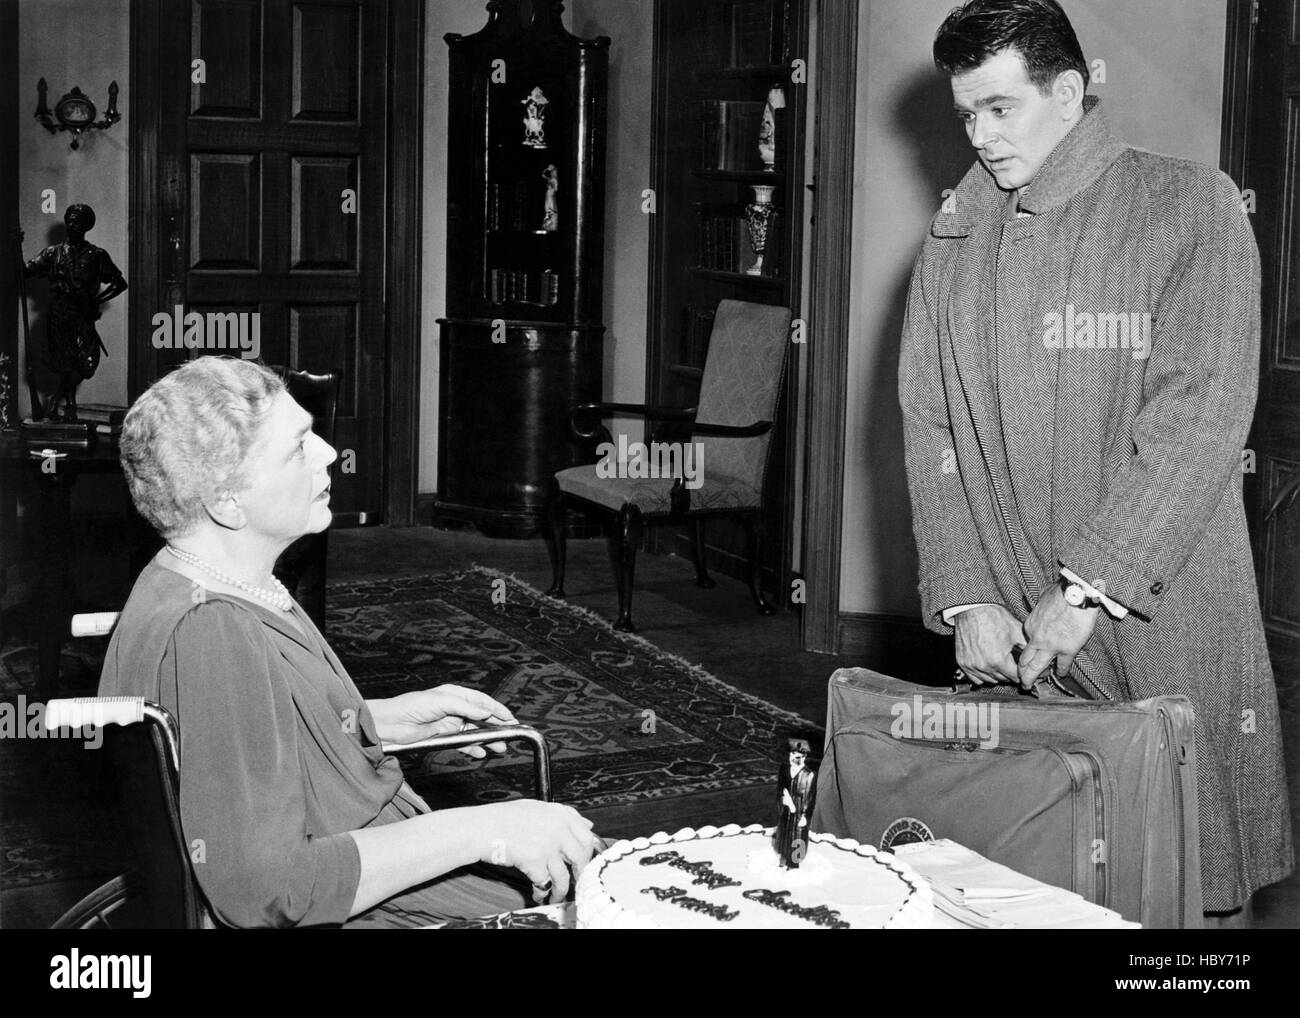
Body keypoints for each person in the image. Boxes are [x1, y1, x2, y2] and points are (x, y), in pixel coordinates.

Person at [898, 0, 1292, 922]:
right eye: (966, 114)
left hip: (1161, 619)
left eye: (1001, 108)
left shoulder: (1189, 205)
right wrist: (970, 597)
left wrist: (1084, 593)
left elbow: (1199, 418)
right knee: (1025, 885)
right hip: (1013, 636)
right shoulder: (955, 233)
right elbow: (931, 426)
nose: (981, 136)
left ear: (1070, 91)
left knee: (1179, 893)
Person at [100, 357, 598, 927]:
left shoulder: (189, 579)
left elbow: (233, 742)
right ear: (227, 502)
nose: (328, 453)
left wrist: (373, 720)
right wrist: (483, 829)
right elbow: (271, 890)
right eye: (297, 446)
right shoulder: (213, 632)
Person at [23, 204, 127, 420]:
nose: (72, 225)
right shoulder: (53, 253)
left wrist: (97, 300)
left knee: (88, 361)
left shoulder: (96, 255)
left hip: (83, 315)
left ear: (86, 226)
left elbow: (119, 283)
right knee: (64, 361)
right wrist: (15, 247)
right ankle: (69, 405)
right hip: (60, 314)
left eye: (77, 221)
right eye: (69, 220)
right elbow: (25, 271)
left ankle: (56, 399)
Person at [775, 737, 814, 868]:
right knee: (785, 833)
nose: (795, 758)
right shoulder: (784, 769)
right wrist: (783, 799)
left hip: (799, 809)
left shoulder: (809, 775)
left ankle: (794, 862)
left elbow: (809, 797)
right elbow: (780, 788)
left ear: (804, 757)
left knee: (797, 835)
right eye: (792, 754)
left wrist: (804, 815)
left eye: (799, 756)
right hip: (786, 810)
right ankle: (784, 856)